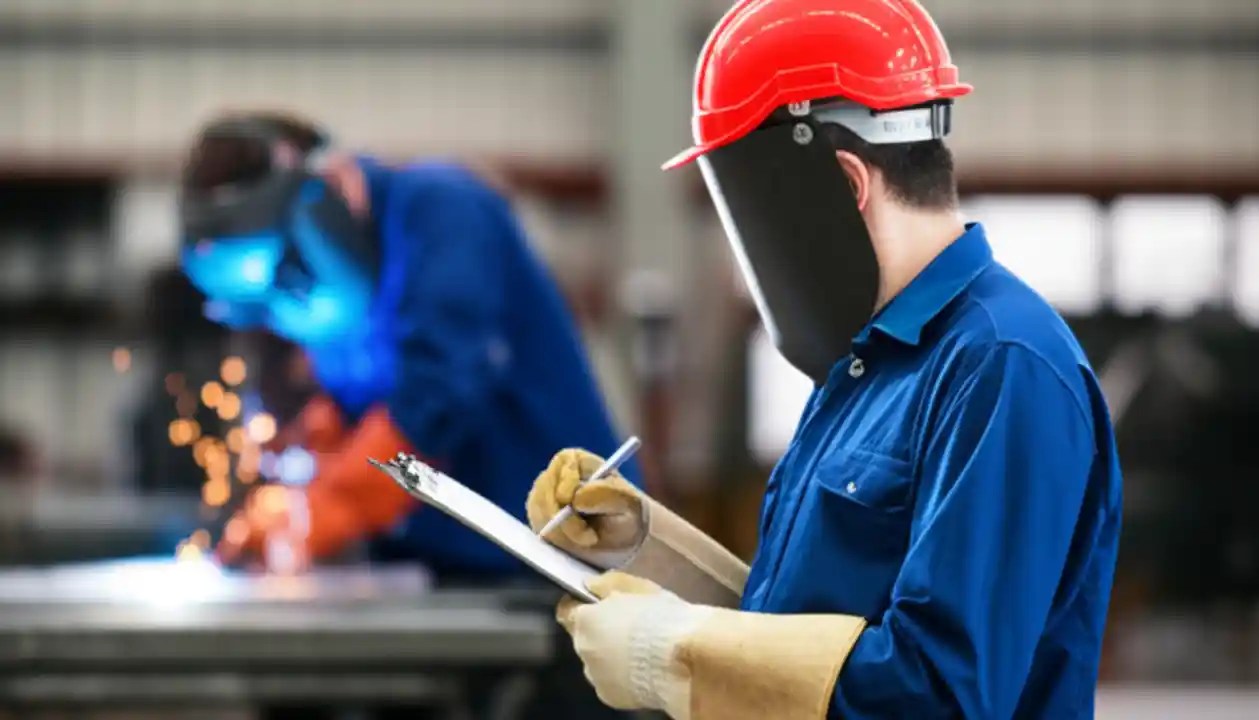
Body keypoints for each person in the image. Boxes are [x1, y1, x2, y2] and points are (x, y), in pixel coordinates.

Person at [526, 0, 1123, 717]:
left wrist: (670, 655)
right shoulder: (866, 370)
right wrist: (648, 552)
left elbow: (942, 694)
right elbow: (794, 625)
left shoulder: (1003, 368)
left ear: (845, 183)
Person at [178, 112, 634, 581]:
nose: (283, 317)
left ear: (330, 189)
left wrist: (315, 513)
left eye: (282, 278)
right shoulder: (329, 312)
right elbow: (350, 420)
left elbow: (435, 402)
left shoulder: (442, 208)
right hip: (443, 567)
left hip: (563, 561)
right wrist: (282, 494)